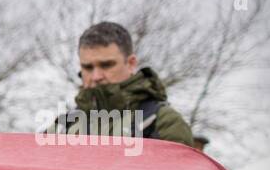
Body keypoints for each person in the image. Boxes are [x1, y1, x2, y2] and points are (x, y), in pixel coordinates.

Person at [50, 21, 195, 148]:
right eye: (88, 67)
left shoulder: (163, 124)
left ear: (131, 64)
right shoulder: (63, 126)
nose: (96, 76)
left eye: (106, 65)